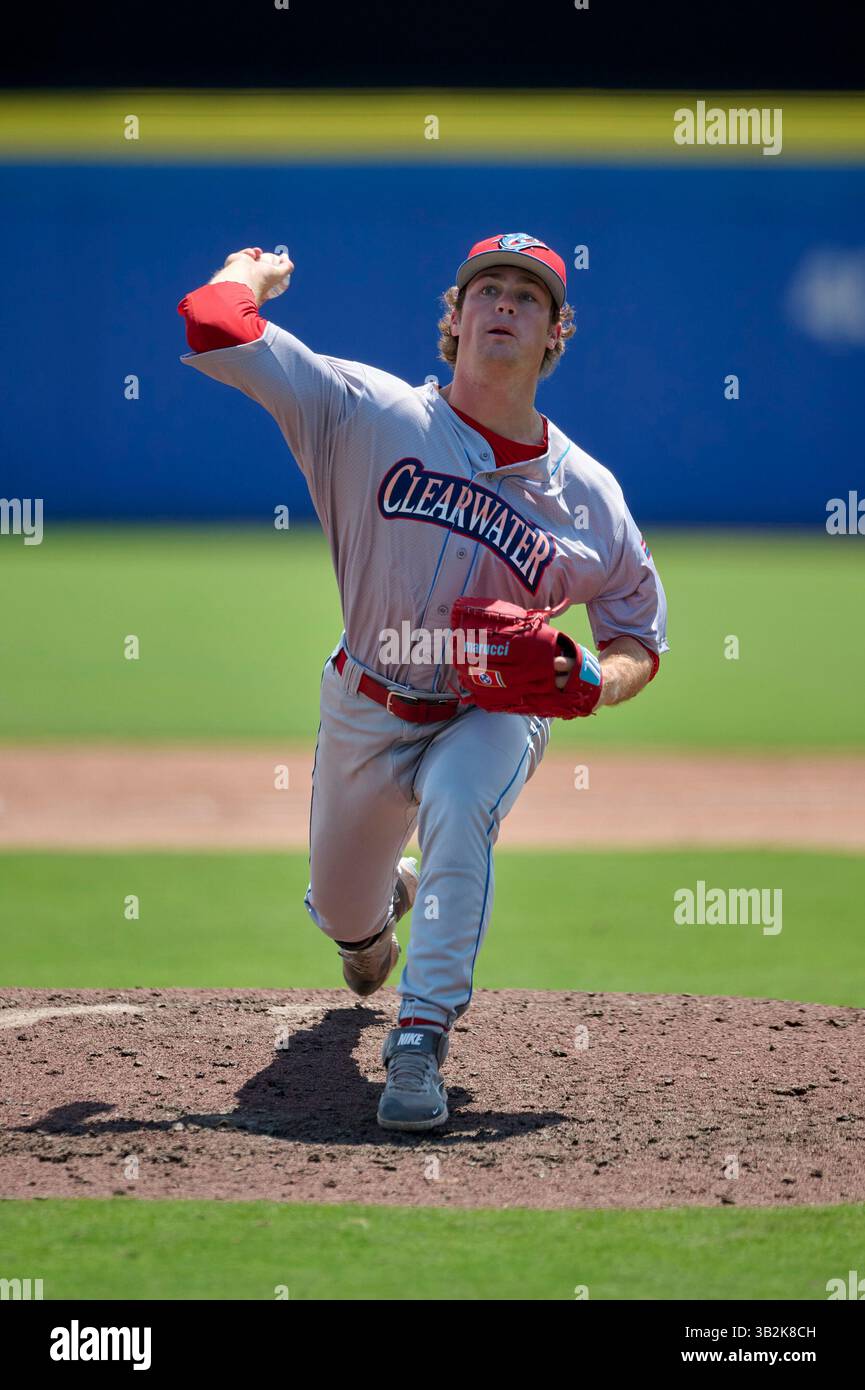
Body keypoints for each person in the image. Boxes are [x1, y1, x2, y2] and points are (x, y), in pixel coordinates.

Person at [177, 232, 668, 1132]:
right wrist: (251, 273)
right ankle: (376, 926)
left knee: (458, 798)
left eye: (529, 296)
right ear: (454, 316)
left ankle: (421, 1037)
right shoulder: (365, 410)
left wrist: (594, 678)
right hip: (366, 702)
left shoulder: (590, 495)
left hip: (492, 711)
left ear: (560, 331)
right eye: (489, 290)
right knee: (347, 930)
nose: (506, 306)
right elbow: (212, 322)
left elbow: (638, 635)